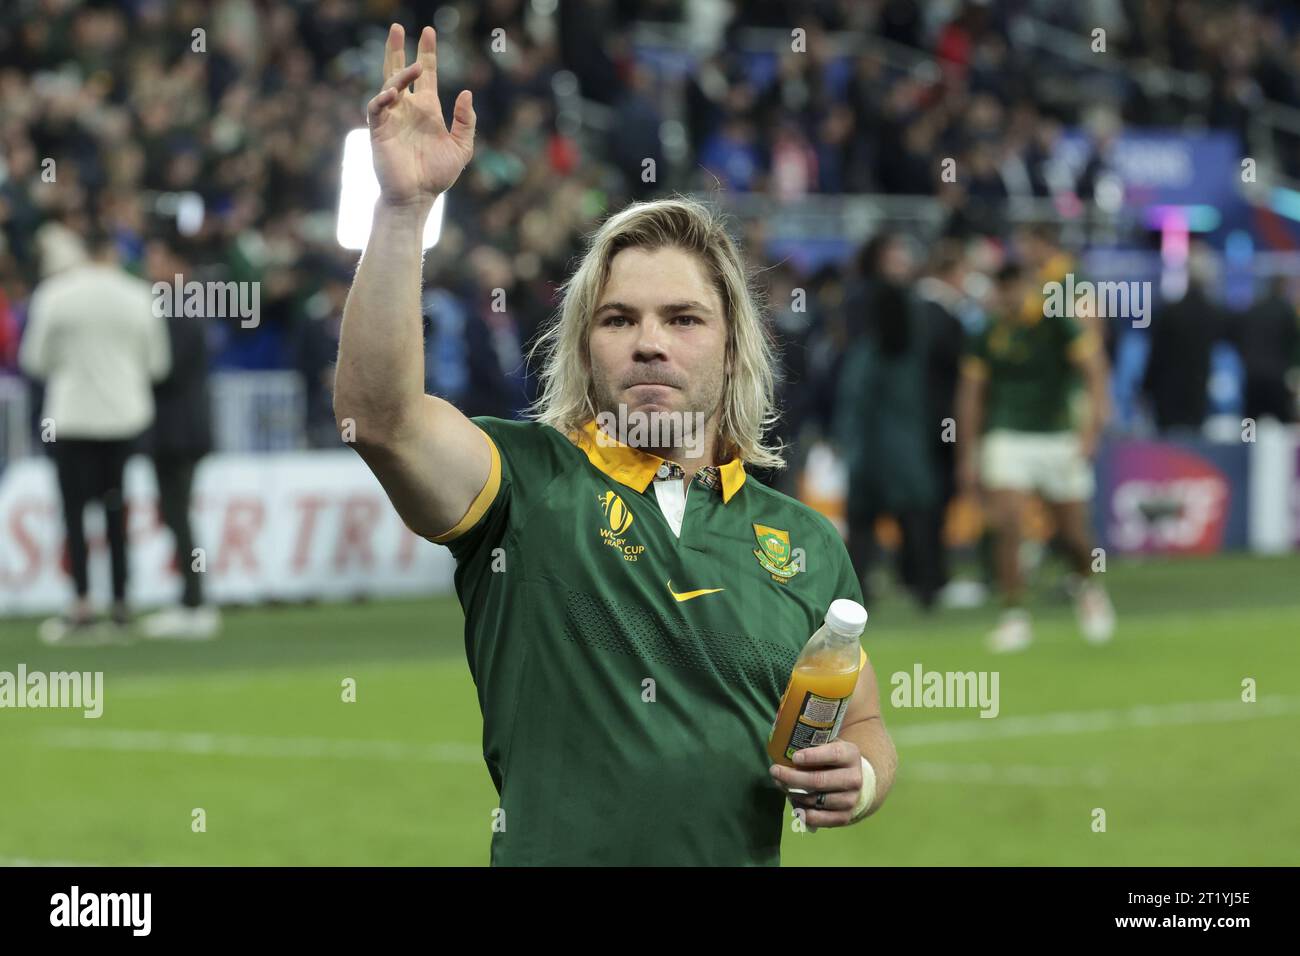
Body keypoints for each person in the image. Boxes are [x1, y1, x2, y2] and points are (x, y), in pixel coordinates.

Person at [333, 24, 896, 865]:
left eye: (683, 319)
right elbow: (380, 418)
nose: (649, 343)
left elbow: (863, 722)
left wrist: (867, 777)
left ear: (733, 347)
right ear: (585, 347)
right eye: (619, 318)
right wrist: (405, 210)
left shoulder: (806, 542)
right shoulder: (520, 486)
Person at [18, 224, 171, 643]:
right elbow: (156, 364)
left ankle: (81, 602)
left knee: (73, 514)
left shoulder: (54, 294)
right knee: (116, 512)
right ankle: (121, 604)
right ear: (115, 253)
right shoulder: (138, 296)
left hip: (70, 418)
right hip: (123, 419)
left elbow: (34, 360)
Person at [956, 263, 1115, 653]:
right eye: (1003, 287)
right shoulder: (987, 333)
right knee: (1008, 523)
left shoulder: (1057, 322)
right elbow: (971, 395)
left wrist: (1092, 428)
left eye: (1015, 286)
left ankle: (1088, 587)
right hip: (1006, 436)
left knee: (1073, 534)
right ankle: (1014, 615)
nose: (1010, 296)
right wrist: (967, 454)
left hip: (1058, 436)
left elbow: (1094, 371)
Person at [137, 237, 221, 640]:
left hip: (179, 431)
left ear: (177, 265)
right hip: (176, 430)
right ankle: (191, 597)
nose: (150, 268)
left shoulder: (181, 310)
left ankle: (195, 600)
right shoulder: (181, 308)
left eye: (157, 258)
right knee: (174, 515)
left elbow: (164, 370)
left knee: (178, 515)